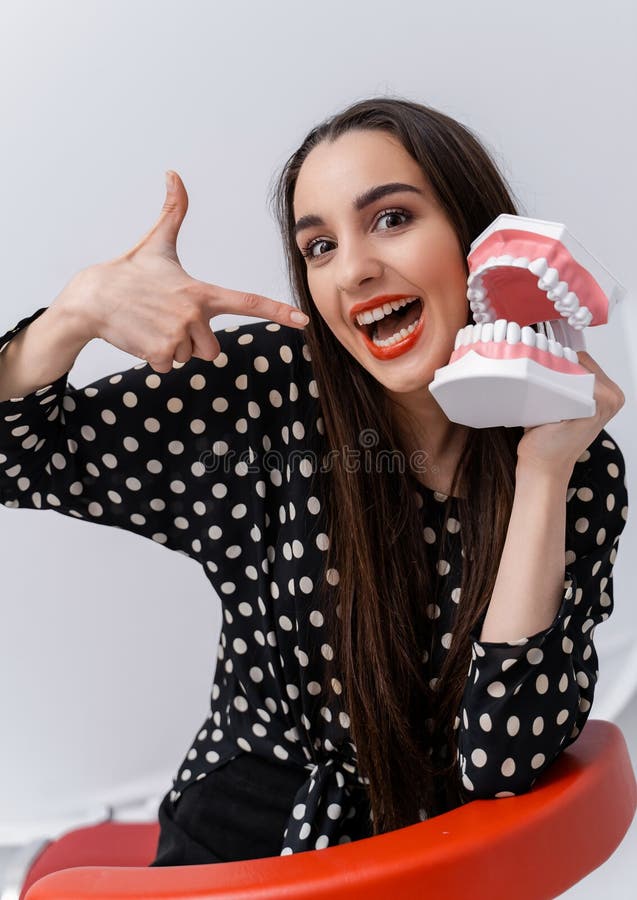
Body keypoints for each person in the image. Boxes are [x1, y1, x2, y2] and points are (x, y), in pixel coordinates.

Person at [0, 96, 628, 865]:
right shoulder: (261, 391)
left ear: (479, 237)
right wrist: (74, 315)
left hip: (434, 856)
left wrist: (542, 472)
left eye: (391, 219)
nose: (354, 270)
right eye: (319, 246)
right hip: (243, 844)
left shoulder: (573, 465)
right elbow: (15, 458)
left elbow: (502, 761)